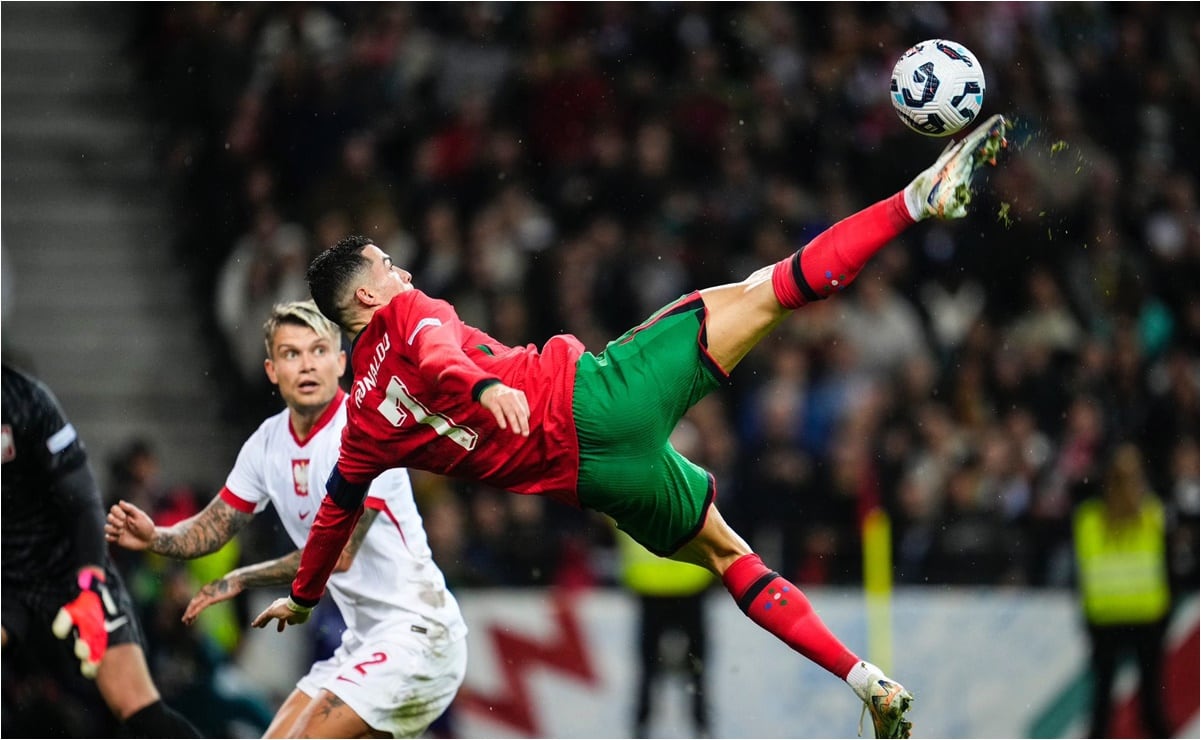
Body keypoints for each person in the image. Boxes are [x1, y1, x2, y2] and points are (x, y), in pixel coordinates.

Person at [257, 113, 1011, 739]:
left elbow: (335, 509)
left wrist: (303, 594)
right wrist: (485, 386)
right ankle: (917, 202)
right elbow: (438, 353)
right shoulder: (408, 312)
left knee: (727, 556)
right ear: (364, 296)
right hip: (601, 398)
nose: (406, 274)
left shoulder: (361, 421)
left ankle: (863, 678)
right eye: (389, 265)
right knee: (770, 288)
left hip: (598, 480)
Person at [105, 300, 468, 739]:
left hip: (419, 635)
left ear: (340, 362)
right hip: (363, 642)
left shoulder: (369, 432)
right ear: (272, 370)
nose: (307, 365)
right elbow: (215, 525)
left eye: (318, 351)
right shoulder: (266, 443)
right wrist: (156, 537)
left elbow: (339, 554)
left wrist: (242, 578)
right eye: (291, 354)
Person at [0, 362, 203, 738]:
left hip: (65, 568)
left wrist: (90, 585)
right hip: (4, 585)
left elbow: (83, 503)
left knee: (137, 707)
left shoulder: (26, 401)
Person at [1072, 442, 1172, 739]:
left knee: (1102, 707)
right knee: (1151, 707)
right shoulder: (1152, 514)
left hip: (1105, 618)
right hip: (1145, 617)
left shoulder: (1088, 519)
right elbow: (1166, 567)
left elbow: (1084, 573)